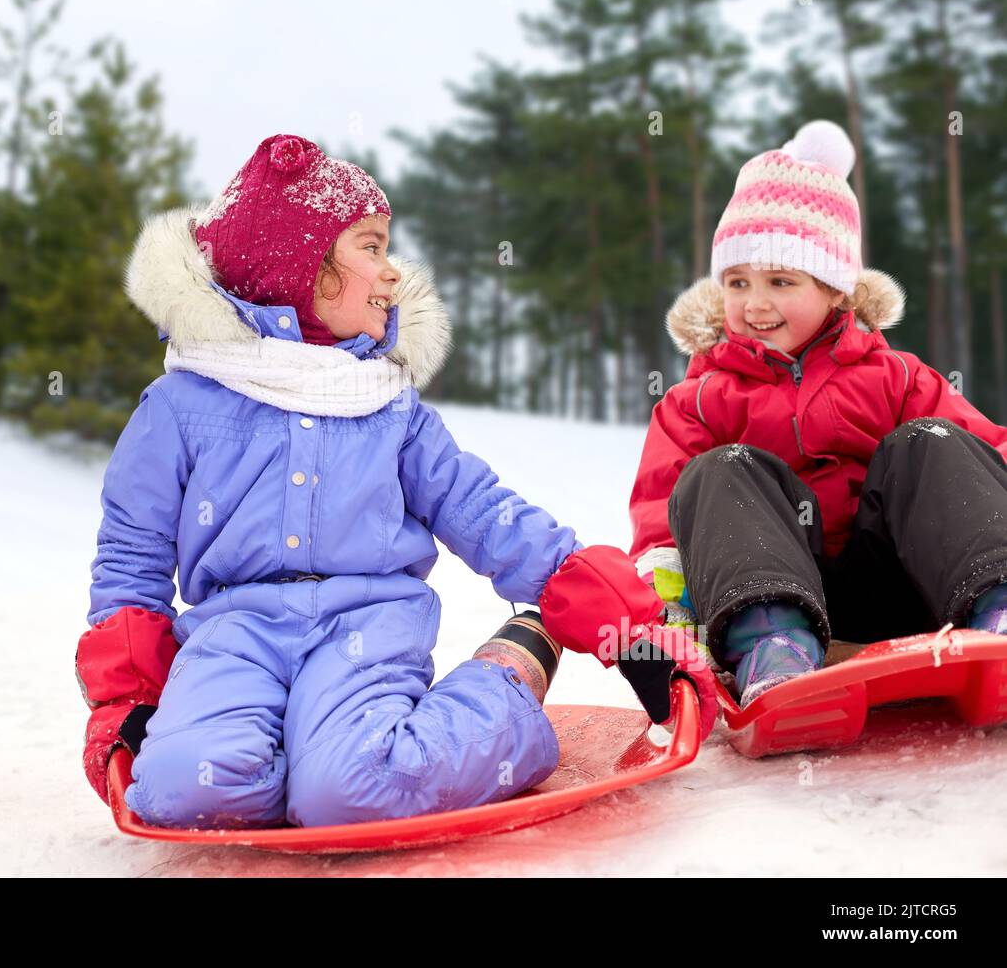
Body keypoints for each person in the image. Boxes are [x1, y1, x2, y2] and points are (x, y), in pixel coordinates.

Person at [73, 133, 695, 829]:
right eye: (370, 247)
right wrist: (126, 701)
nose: (392, 272)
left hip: (365, 631)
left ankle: (507, 675)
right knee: (184, 792)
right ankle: (307, 761)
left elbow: (485, 513)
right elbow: (132, 558)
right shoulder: (182, 405)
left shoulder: (387, 407)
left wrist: (625, 623)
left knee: (346, 792)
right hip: (233, 637)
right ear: (300, 267)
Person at [630, 120, 1007, 709]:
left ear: (836, 290)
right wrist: (666, 610)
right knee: (719, 470)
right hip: (761, 593)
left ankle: (998, 606)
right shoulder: (696, 402)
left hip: (907, 587)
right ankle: (772, 649)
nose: (755, 304)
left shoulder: (898, 377)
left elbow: (987, 463)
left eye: (782, 281)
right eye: (737, 281)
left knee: (931, 440)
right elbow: (660, 521)